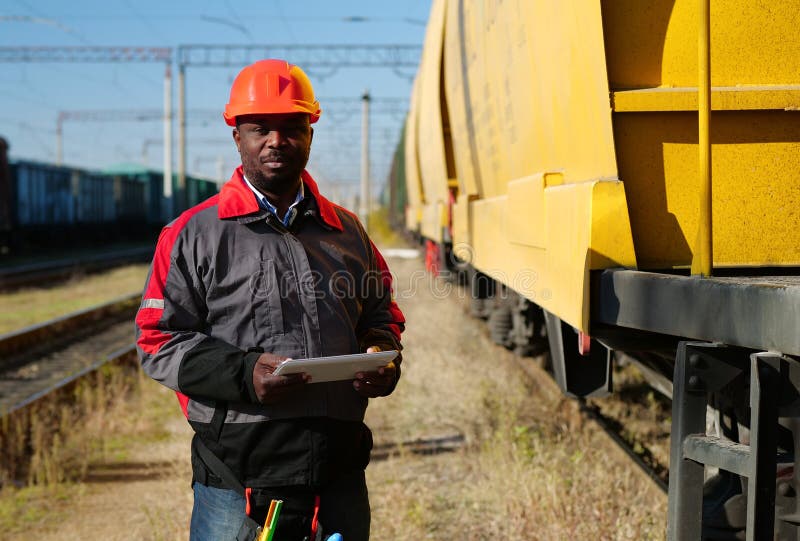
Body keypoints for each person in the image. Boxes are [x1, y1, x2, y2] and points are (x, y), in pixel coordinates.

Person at [135, 59, 405, 541]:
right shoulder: (191, 235)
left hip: (337, 478)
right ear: (236, 136)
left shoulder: (346, 231)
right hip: (238, 487)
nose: (276, 141)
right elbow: (157, 342)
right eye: (260, 128)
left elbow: (381, 311)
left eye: (291, 128)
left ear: (310, 133)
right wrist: (244, 373)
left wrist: (379, 354)